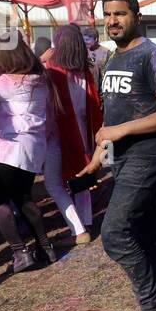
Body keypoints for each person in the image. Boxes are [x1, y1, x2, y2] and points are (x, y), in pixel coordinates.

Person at [78, 0, 156, 311]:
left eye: (120, 14)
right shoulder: (112, 59)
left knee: (116, 233)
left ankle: (153, 307)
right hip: (121, 159)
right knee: (146, 229)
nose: (112, 21)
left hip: (146, 157)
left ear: (136, 16)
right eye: (107, 14)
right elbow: (112, 119)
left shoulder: (152, 56)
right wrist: (97, 159)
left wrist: (121, 131)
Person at [0, 31, 56, 271]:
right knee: (24, 198)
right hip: (33, 147)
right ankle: (45, 247)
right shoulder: (40, 78)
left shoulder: (6, 82)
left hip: (7, 149)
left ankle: (20, 253)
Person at [41, 24, 103, 244]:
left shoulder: (50, 69)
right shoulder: (87, 70)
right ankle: (85, 221)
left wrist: (40, 60)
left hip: (58, 132)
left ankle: (78, 228)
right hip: (84, 129)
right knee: (81, 176)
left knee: (54, 183)